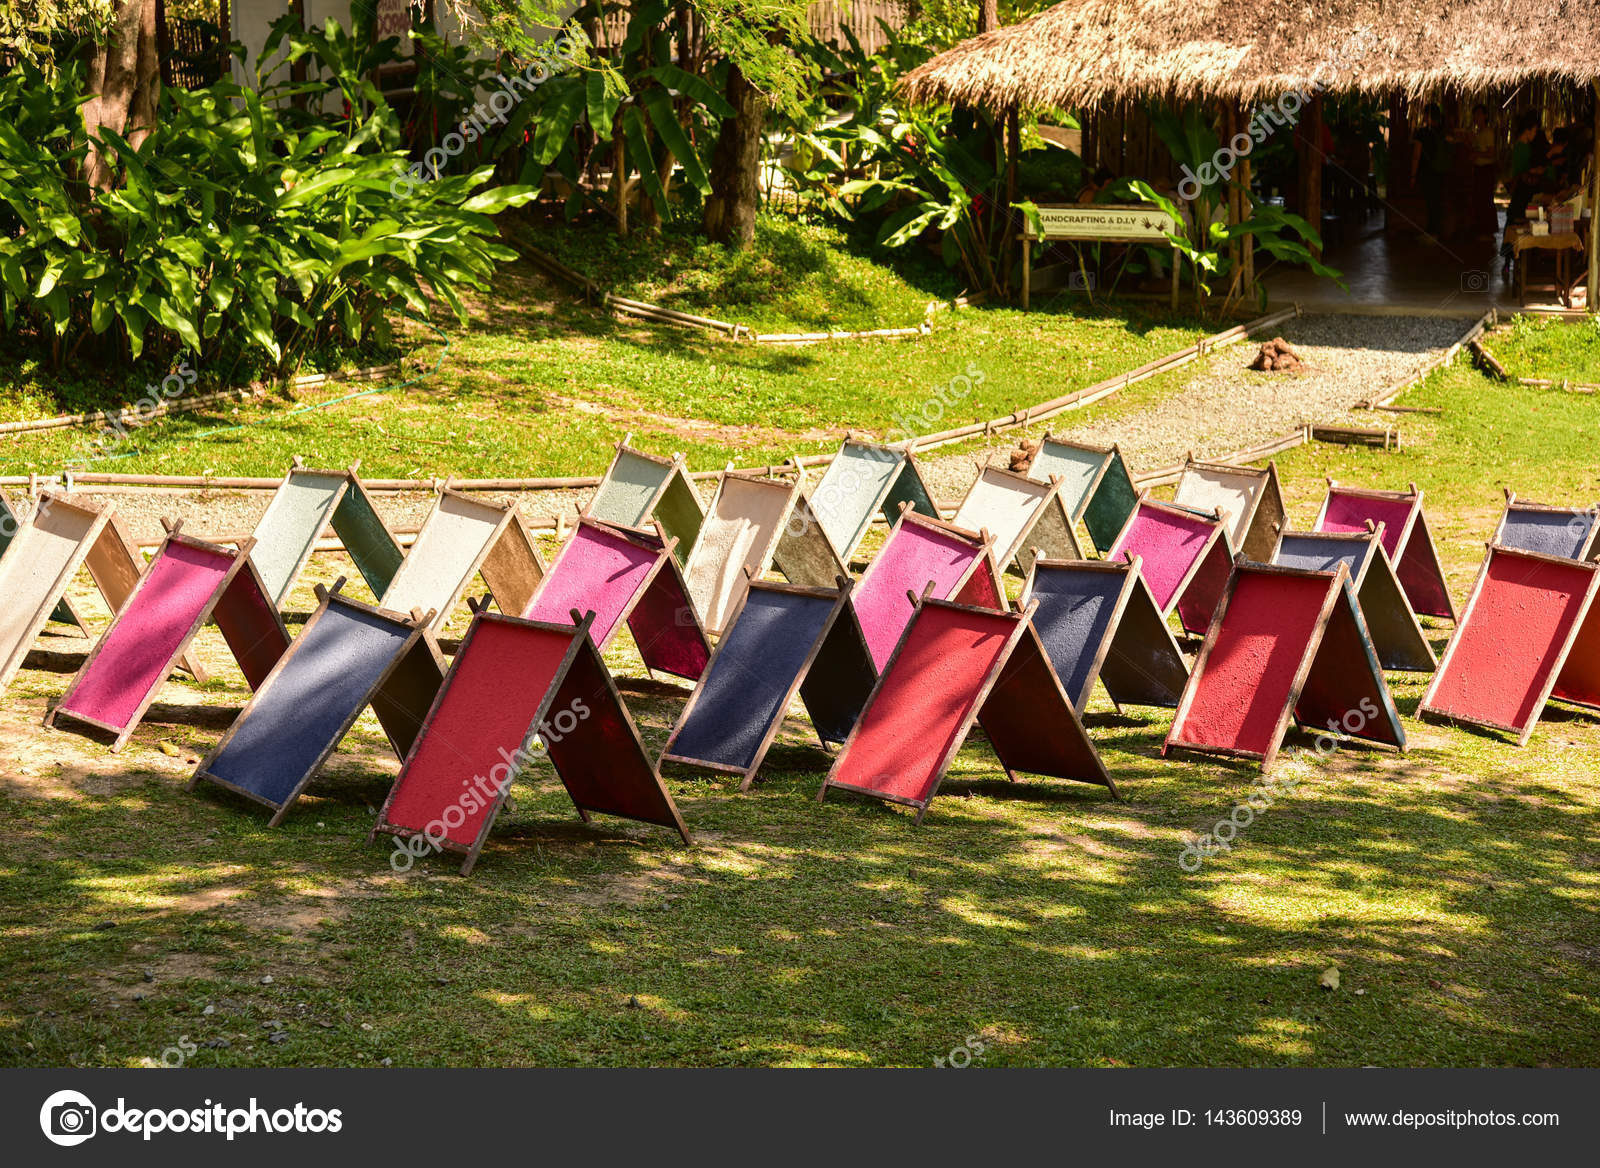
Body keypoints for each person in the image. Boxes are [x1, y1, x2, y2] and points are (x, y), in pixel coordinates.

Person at [1411, 103, 1450, 240]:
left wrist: (1413, 176)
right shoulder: (1442, 131)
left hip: (1427, 172)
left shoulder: (1421, 133)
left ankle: (1432, 233)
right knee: (1437, 202)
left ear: (1427, 116)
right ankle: (1436, 231)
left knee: (1431, 203)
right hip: (1440, 172)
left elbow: (1416, 155)